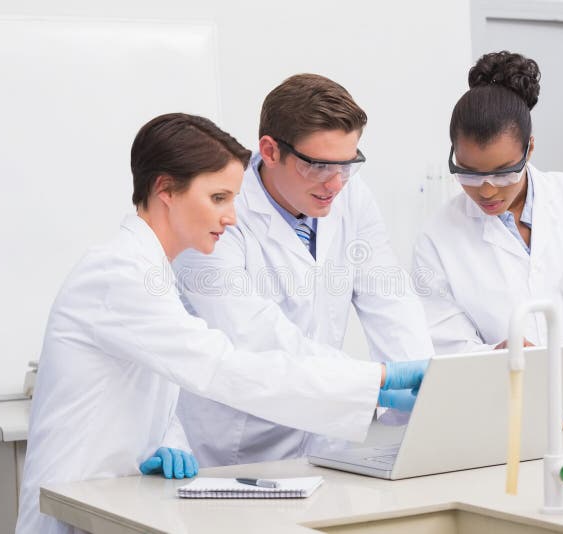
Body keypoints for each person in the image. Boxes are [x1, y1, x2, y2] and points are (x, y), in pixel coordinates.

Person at [15, 113, 427, 534]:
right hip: (71, 510)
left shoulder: (152, 273)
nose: (231, 218)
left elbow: (151, 388)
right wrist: (375, 379)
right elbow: (223, 367)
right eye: (218, 198)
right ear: (165, 190)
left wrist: (168, 440)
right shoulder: (119, 273)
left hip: (113, 502)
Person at [172, 74, 435, 467]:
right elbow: (253, 334)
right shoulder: (218, 211)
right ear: (271, 150)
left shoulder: (351, 196)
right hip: (236, 445)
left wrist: (429, 396)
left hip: (325, 439)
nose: (336, 184)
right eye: (320, 166)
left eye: (347, 165)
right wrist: (372, 380)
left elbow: (389, 297)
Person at [413, 51, 563, 428]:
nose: (487, 190)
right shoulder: (438, 237)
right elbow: (445, 346)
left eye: (503, 172)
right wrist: (497, 358)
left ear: (528, 149)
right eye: (469, 173)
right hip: (500, 428)